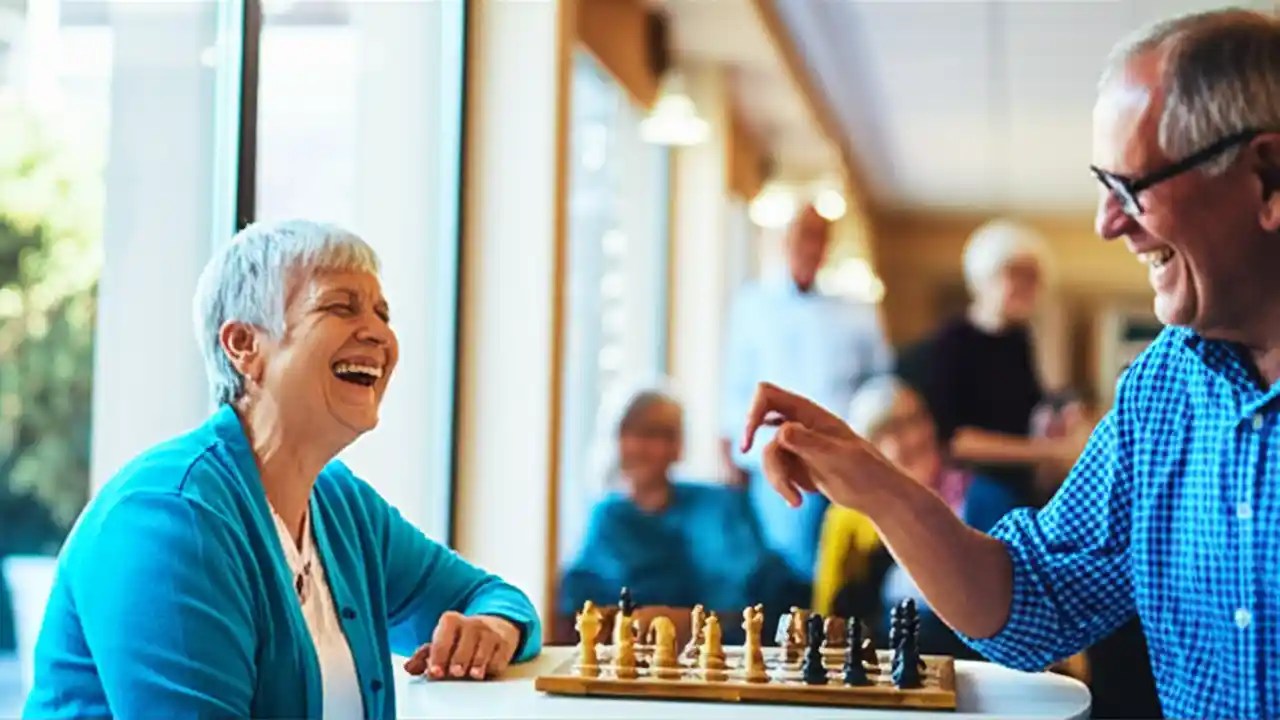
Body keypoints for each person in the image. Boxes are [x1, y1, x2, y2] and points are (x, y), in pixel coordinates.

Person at [737, 9, 1280, 718]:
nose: (1106, 223)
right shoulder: (1161, 390)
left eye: (1132, 186)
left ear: (1266, 177)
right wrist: (880, 486)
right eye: (1100, 185)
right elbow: (1033, 602)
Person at [22, 220, 541, 718]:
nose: (380, 335)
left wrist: (492, 629)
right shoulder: (170, 518)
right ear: (244, 346)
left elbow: (493, 597)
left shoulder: (340, 503)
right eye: (342, 307)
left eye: (384, 314)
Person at [720, 203, 893, 593]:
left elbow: (881, 385)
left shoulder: (857, 311)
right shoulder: (753, 305)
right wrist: (730, 451)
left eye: (819, 237)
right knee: (784, 566)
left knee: (836, 566)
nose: (811, 246)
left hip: (841, 451)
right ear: (785, 241)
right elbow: (735, 384)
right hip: (773, 452)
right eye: (803, 235)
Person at [559, 385, 800, 644]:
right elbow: (579, 602)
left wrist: (696, 622)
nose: (643, 446)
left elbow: (767, 589)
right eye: (632, 432)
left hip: (728, 650)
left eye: (660, 434)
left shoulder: (720, 505)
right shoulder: (608, 516)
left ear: (678, 445)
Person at [920, 219, 1086, 511]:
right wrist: (1046, 452)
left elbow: (1030, 406)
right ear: (985, 279)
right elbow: (954, 441)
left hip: (1015, 480)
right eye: (1017, 276)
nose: (1027, 288)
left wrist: (1062, 411)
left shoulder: (1019, 339)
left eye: (1033, 279)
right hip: (972, 488)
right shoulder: (953, 340)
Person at [812, 376, 978, 659]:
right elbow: (828, 611)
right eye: (896, 428)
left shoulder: (978, 496)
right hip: (889, 654)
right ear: (868, 448)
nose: (916, 436)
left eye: (918, 420)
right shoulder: (848, 515)